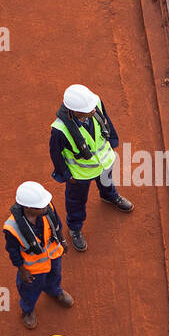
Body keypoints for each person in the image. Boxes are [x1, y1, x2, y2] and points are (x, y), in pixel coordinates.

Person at [49, 84, 133, 251]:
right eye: (88, 110)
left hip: (105, 162)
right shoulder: (59, 130)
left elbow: (106, 121)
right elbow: (56, 155)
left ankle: (110, 196)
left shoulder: (95, 105)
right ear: (75, 111)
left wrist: (113, 143)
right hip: (80, 174)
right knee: (76, 201)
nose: (93, 111)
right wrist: (66, 176)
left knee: (107, 183)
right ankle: (75, 228)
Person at [3, 180, 74, 330]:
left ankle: (54, 291)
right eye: (40, 205)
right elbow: (13, 250)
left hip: (54, 256)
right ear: (28, 207)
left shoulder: (46, 207)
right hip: (33, 268)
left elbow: (57, 225)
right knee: (29, 289)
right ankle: (27, 310)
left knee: (55, 276)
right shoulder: (12, 227)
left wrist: (62, 240)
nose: (45, 206)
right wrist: (22, 270)